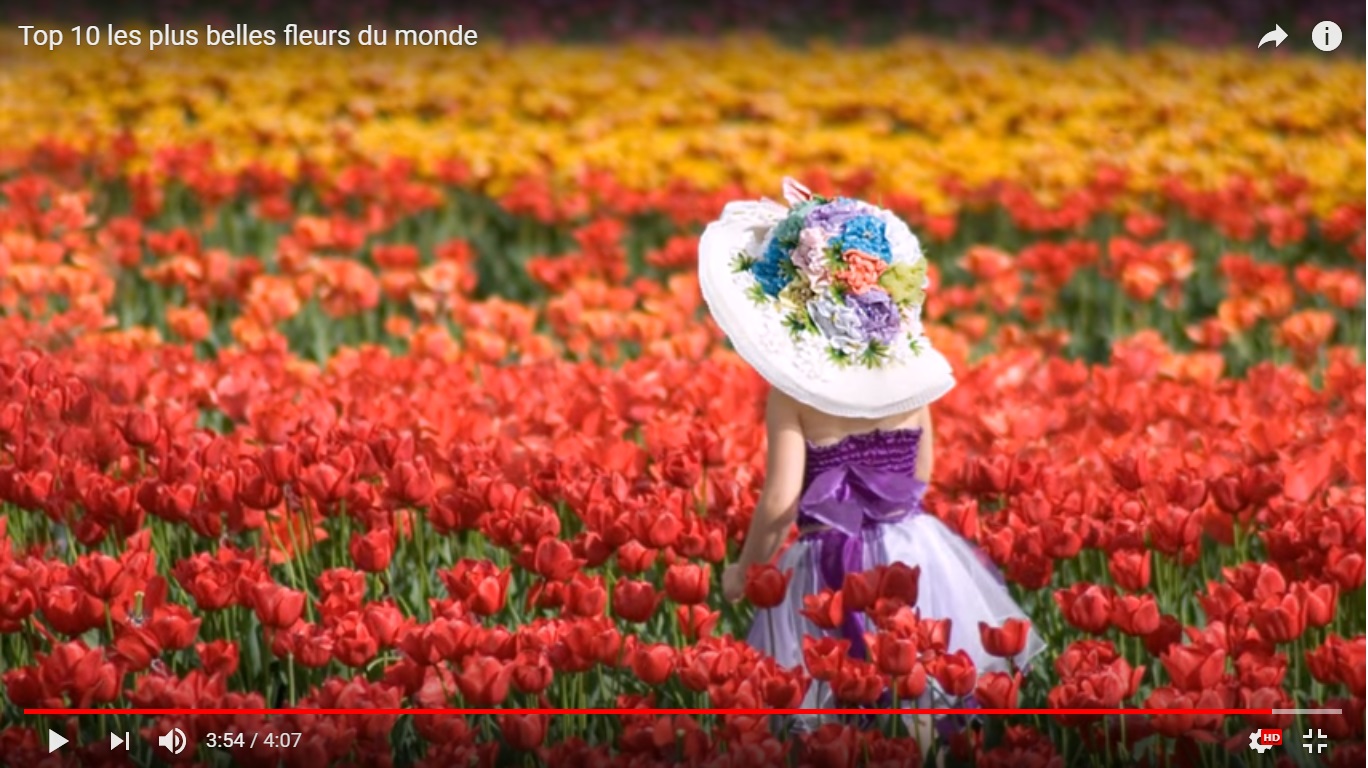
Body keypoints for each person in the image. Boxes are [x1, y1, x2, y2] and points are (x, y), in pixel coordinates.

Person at [697, 178, 1043, 753]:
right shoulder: (913, 377)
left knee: (835, 701)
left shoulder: (794, 395)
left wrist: (745, 571)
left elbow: (781, 501)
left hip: (828, 559)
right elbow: (921, 474)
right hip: (914, 550)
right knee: (916, 683)